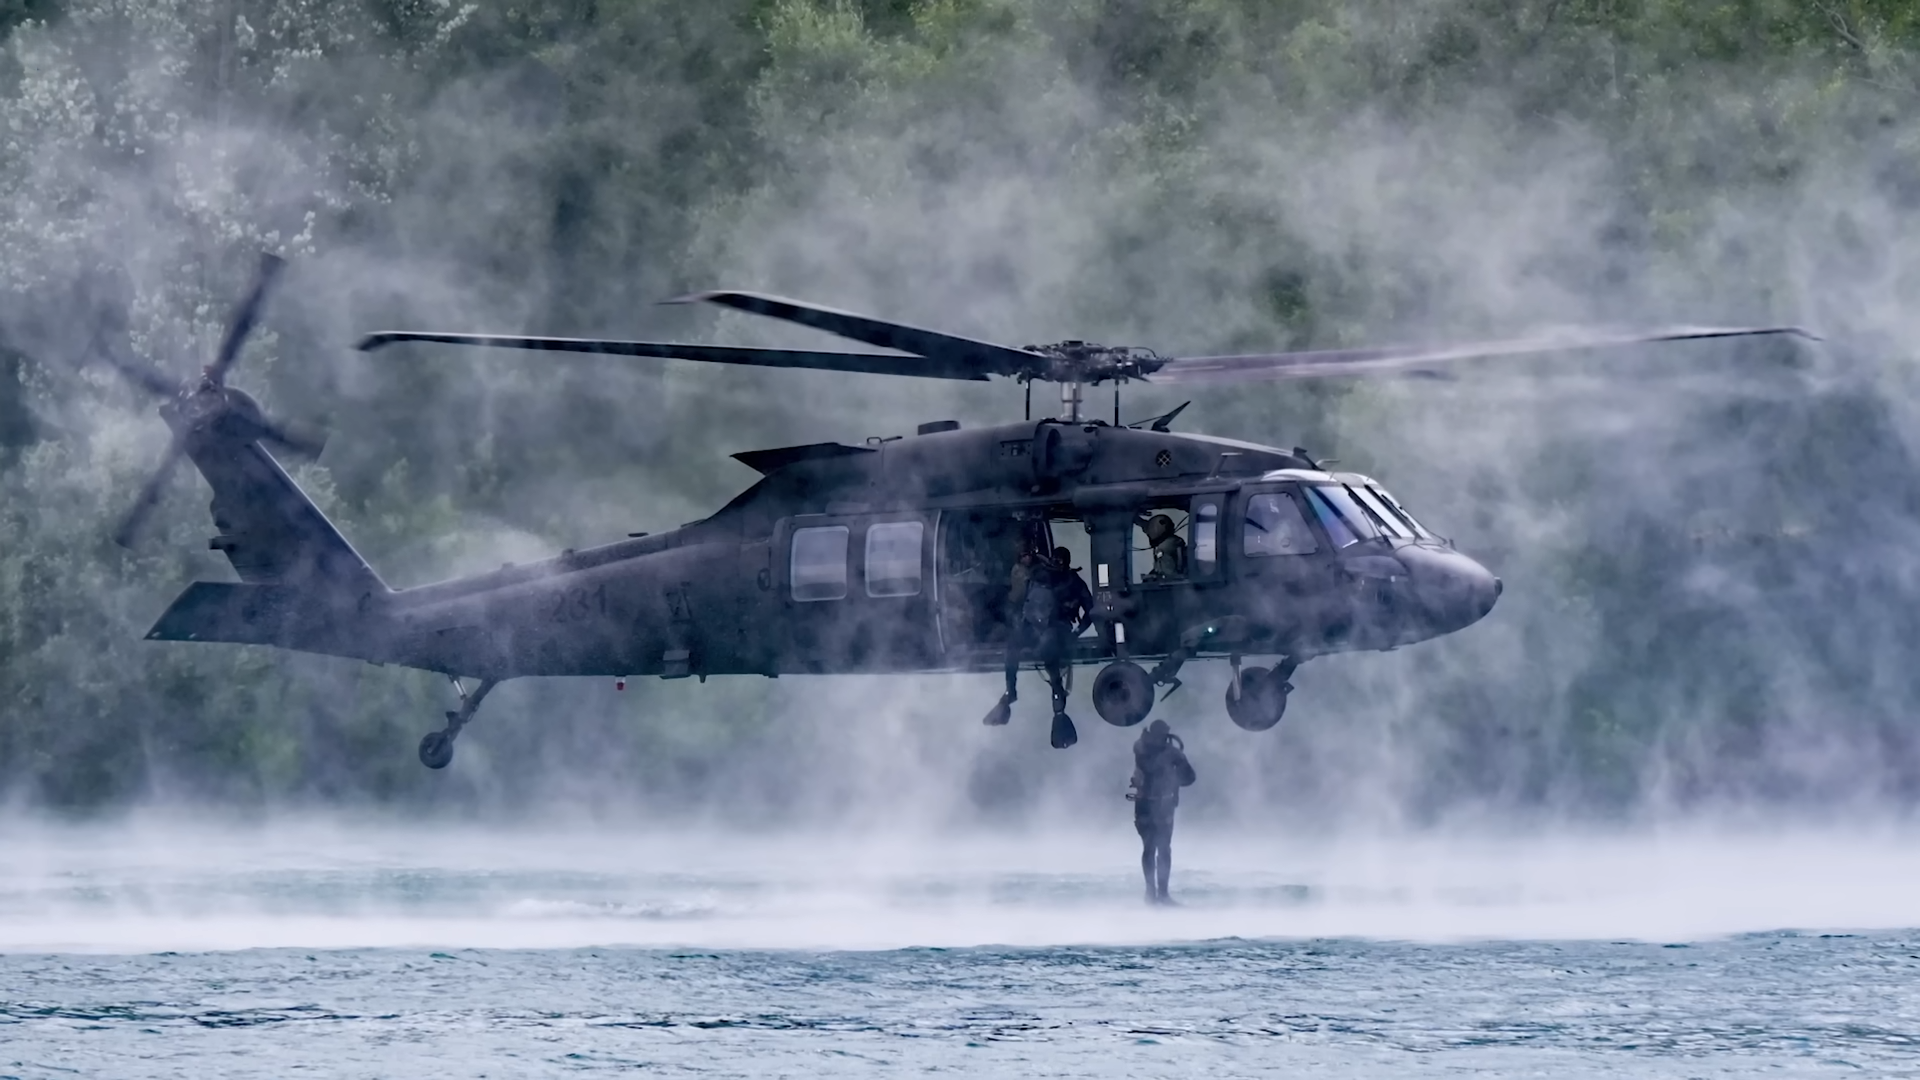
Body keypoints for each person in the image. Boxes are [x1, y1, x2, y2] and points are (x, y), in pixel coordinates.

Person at [984, 546, 1093, 748]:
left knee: (1048, 652)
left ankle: (1058, 704)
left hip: (1058, 627)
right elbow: (1019, 601)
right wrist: (1018, 620)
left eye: (1062, 561)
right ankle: (1010, 692)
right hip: (1032, 626)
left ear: (1067, 563)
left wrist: (1076, 633)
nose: (1058, 564)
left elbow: (1090, 609)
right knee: (1012, 647)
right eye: (1056, 560)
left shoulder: (1074, 582)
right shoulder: (1038, 576)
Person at [1128, 719, 1196, 904]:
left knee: (1158, 849)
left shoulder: (1143, 747)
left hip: (1156, 805)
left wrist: (1174, 775)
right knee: (1155, 849)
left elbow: (1189, 777)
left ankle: (1158, 895)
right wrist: (1175, 772)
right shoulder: (1167, 752)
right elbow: (1188, 776)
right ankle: (1155, 895)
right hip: (1153, 806)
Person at [1142, 513, 1188, 581]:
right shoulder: (1175, 542)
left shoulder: (1164, 547)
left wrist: (1153, 577)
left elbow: (1166, 573)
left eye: (1152, 528)